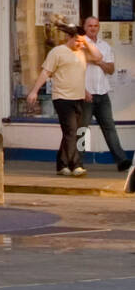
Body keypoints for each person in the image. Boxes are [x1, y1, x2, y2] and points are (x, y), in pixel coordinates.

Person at [26, 22, 104, 175]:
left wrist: (85, 41)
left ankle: (61, 165)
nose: (79, 44)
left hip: (79, 97)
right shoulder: (57, 52)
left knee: (72, 132)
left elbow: (98, 56)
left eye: (81, 41)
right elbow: (46, 72)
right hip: (62, 98)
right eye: (76, 40)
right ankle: (76, 165)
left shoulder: (82, 52)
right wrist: (34, 91)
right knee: (71, 131)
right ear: (68, 37)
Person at [82, 17, 130, 173]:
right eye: (90, 25)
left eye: (96, 25)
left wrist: (99, 62)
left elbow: (110, 69)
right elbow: (77, 68)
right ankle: (76, 162)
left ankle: (121, 160)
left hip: (102, 93)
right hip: (86, 93)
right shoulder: (80, 44)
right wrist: (83, 90)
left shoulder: (105, 46)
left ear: (99, 27)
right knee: (82, 130)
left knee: (109, 127)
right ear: (84, 27)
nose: (93, 28)